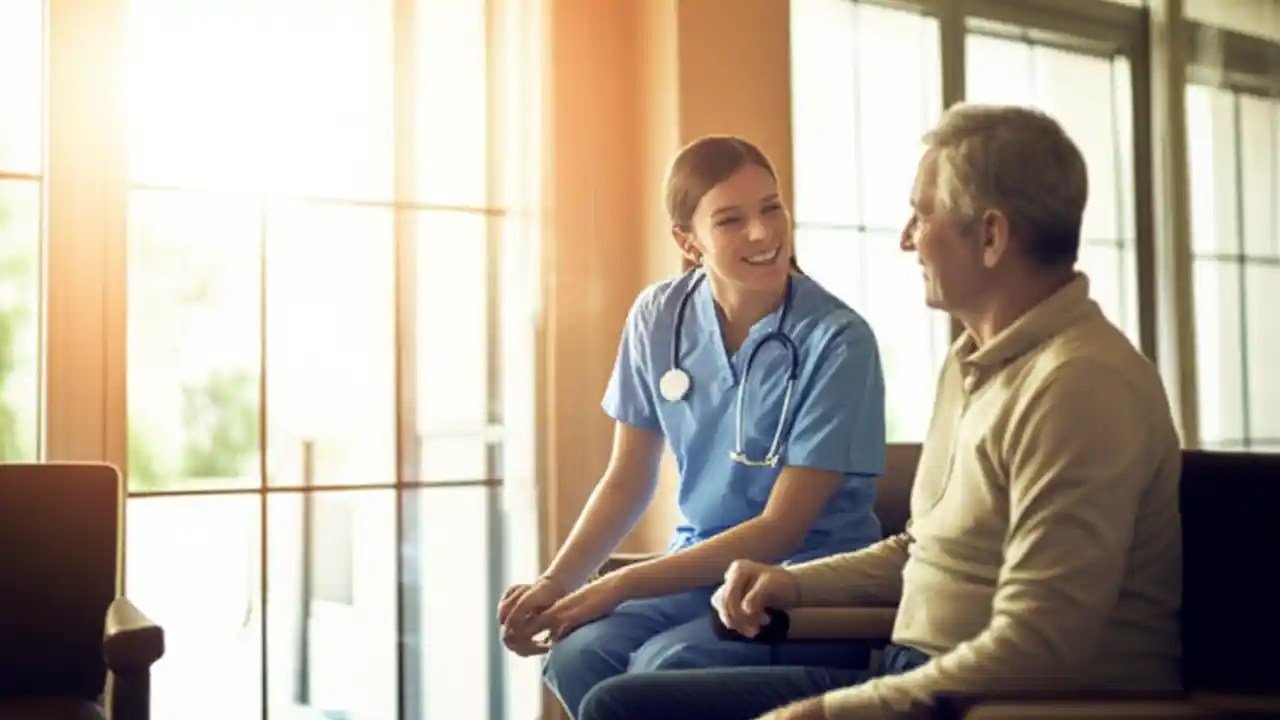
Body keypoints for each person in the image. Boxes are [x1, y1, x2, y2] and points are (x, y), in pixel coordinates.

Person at [575, 104, 1184, 720]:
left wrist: (830, 712)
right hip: (917, 670)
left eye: (923, 214)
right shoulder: (975, 364)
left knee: (631, 707)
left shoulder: (1078, 385)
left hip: (999, 701)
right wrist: (796, 584)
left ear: (992, 237)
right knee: (614, 698)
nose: (906, 238)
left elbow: (1041, 649)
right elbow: (924, 549)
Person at [497, 135, 888, 718]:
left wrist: (617, 584)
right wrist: (557, 582)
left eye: (771, 208)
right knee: (579, 653)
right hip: (698, 569)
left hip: (803, 582)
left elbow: (781, 529)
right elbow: (628, 478)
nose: (762, 233)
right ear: (688, 241)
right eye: (731, 220)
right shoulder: (659, 317)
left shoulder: (838, 340)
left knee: (664, 669)